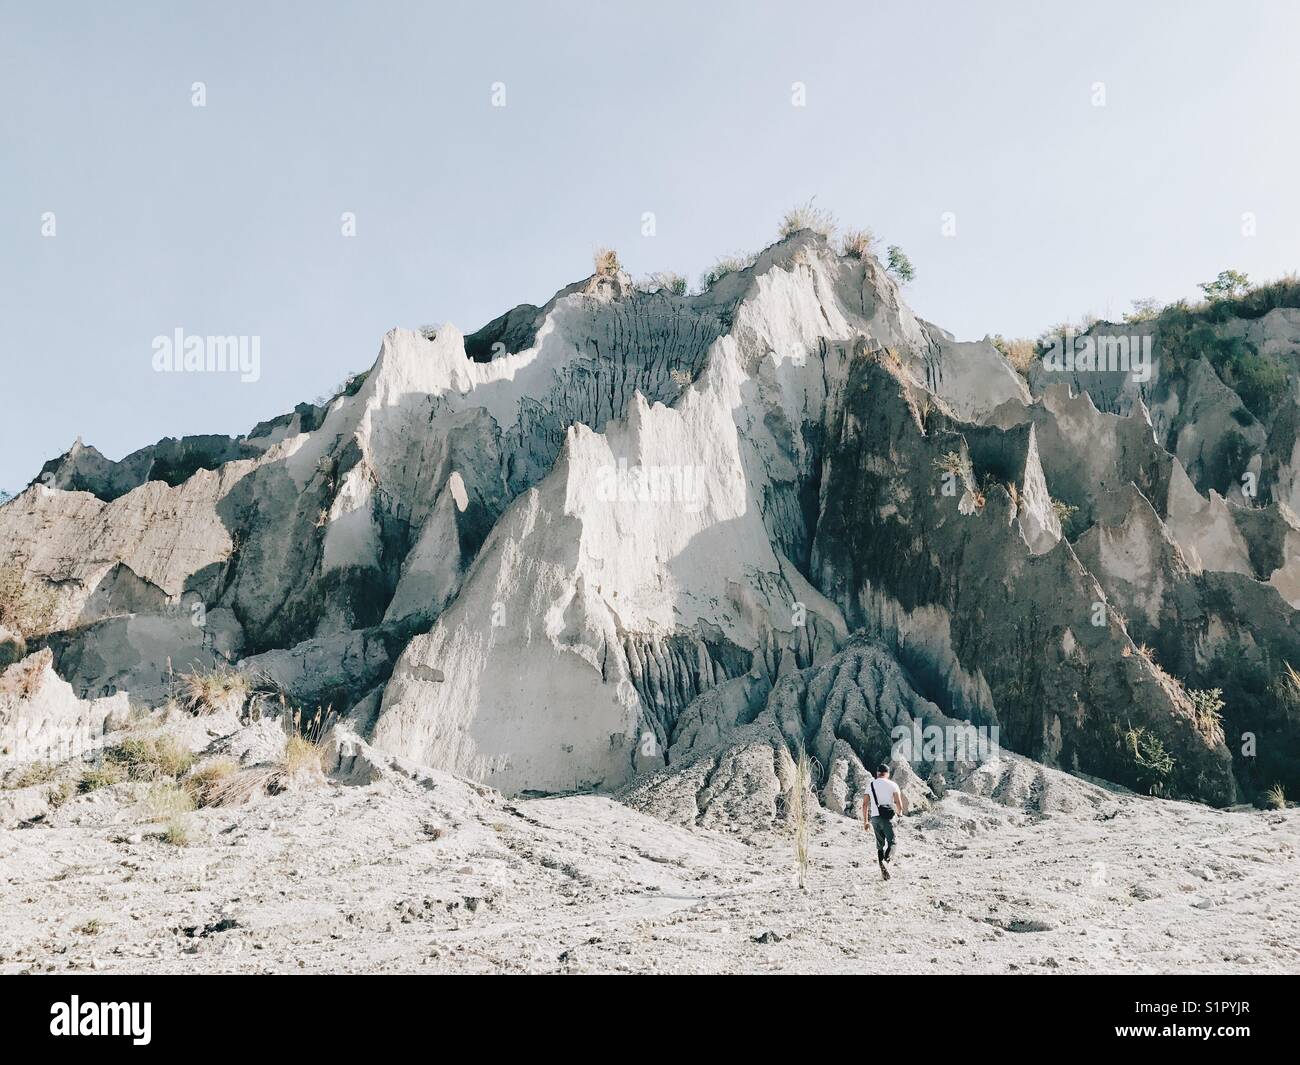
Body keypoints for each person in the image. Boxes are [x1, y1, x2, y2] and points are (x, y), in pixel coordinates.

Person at [864, 762, 906, 879]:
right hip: (887, 818)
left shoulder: (870, 785)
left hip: (875, 818)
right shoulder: (892, 784)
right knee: (892, 842)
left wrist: (866, 822)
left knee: (880, 846)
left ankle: (884, 873)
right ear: (887, 774)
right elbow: (898, 802)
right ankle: (886, 862)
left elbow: (864, 804)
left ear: (877, 773)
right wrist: (899, 813)